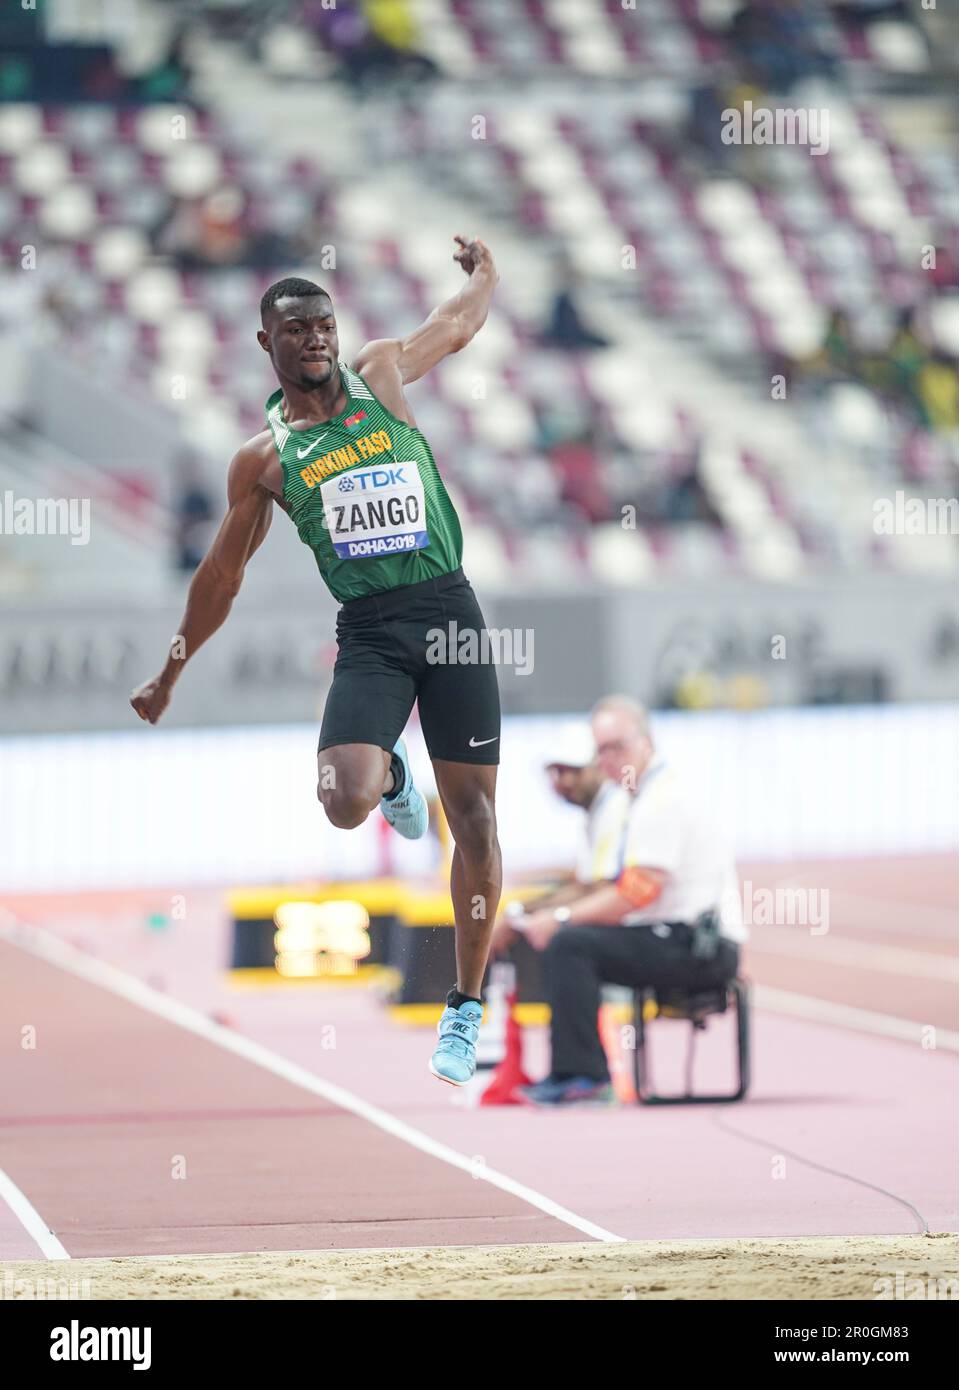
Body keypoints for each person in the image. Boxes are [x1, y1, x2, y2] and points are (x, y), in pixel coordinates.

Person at [130, 237, 502, 1087]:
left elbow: (456, 324)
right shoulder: (264, 463)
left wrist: (486, 275)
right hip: (370, 629)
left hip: (448, 612)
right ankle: (394, 782)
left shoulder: (382, 375)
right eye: (296, 330)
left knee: (477, 822)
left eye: (324, 325)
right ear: (268, 344)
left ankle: (464, 1006)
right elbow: (220, 577)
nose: (316, 340)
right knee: (344, 800)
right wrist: (171, 672)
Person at [517, 695, 747, 1106]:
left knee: (570, 944)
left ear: (646, 741)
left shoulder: (661, 801)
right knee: (573, 939)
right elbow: (610, 885)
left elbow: (638, 891)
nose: (607, 759)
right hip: (675, 936)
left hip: (698, 946)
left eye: (616, 746)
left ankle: (584, 1077)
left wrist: (562, 917)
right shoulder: (639, 799)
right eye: (600, 750)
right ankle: (576, 1072)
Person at [492, 722, 617, 956]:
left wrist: (517, 914)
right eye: (558, 771)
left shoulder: (614, 809)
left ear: (599, 766)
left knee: (562, 943)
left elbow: (594, 890)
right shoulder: (600, 810)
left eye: (575, 770)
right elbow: (580, 878)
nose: (566, 781)